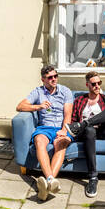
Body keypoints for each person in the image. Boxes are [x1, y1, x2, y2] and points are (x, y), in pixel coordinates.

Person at [15, 64, 75, 201]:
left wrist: (64, 130)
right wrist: (38, 106)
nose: (54, 79)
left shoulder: (65, 91)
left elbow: (68, 114)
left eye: (55, 76)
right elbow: (20, 106)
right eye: (50, 77)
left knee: (61, 143)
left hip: (62, 127)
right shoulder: (38, 92)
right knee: (39, 141)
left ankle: (47, 185)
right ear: (43, 80)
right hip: (45, 128)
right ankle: (51, 180)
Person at [66, 72, 105, 198]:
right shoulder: (79, 100)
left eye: (99, 83)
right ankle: (93, 177)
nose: (97, 86)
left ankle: (85, 123)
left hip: (103, 132)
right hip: (86, 134)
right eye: (93, 84)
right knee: (89, 130)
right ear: (87, 85)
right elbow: (73, 122)